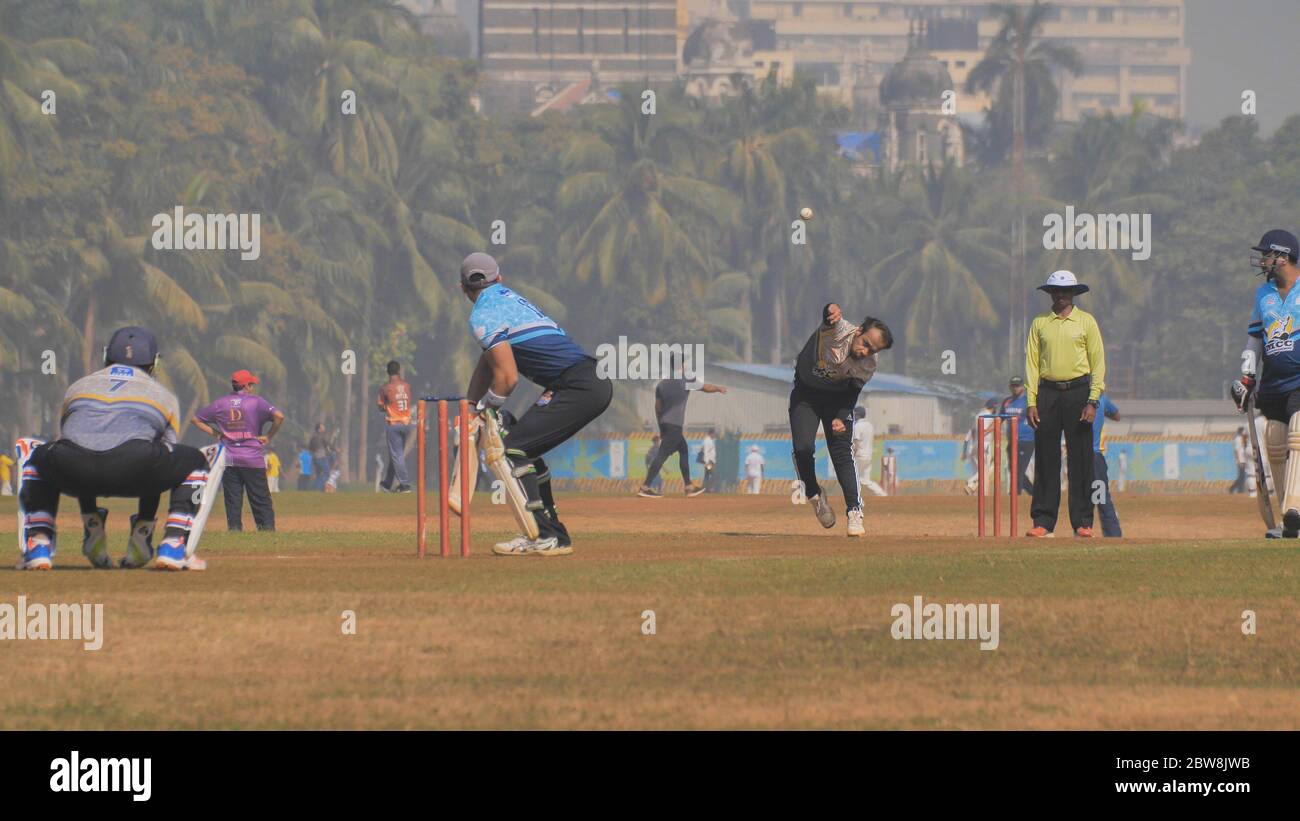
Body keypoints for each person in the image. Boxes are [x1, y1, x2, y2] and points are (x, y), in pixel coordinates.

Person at [15, 326, 214, 571]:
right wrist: (145, 519)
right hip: (136, 468)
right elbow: (162, 453)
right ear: (153, 364)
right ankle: (172, 543)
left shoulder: (77, 387)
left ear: (106, 356)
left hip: (72, 469)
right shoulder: (163, 395)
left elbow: (77, 440)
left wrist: (88, 509)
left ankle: (40, 544)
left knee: (38, 459)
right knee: (194, 460)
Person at [459, 252, 613, 556]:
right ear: (499, 279)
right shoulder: (509, 300)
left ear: (463, 288)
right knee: (524, 449)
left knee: (513, 449)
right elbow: (488, 362)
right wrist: (470, 404)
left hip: (578, 385)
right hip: (587, 380)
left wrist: (485, 411)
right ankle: (553, 536)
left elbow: (507, 378)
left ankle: (542, 535)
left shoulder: (483, 314)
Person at [789, 302, 893, 538]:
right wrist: (829, 310)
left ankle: (855, 511)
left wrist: (840, 415)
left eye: (873, 350)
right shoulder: (840, 330)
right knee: (803, 449)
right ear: (858, 331)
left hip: (837, 400)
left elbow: (853, 392)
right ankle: (815, 496)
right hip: (806, 395)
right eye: (865, 343)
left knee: (841, 451)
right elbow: (829, 319)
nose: (865, 351)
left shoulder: (869, 364)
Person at [1024, 270, 1106, 538]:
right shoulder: (1039, 323)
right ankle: (1043, 522)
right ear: (1050, 293)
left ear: (1073, 294)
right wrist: (1031, 401)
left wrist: (1093, 400)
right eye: (1055, 291)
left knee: (1081, 458)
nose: (1060, 296)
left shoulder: (1086, 322)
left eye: (1065, 292)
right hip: (1047, 392)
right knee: (1046, 459)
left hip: (1078, 391)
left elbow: (1098, 363)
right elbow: (1032, 364)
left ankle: (1082, 522)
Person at [1232, 229, 1300, 537]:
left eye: (1267, 254)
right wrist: (1247, 377)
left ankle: (1294, 508)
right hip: (1273, 382)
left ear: (1283, 256)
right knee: (1275, 437)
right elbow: (1255, 338)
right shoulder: (1264, 294)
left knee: (1299, 428)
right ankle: (1290, 523)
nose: (1262, 260)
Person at [192, 369, 284, 532]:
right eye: (251, 385)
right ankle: (267, 531)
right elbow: (279, 416)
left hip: (229, 459)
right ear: (246, 386)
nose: (253, 388)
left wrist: (218, 434)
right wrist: (269, 436)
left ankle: (234, 530)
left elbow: (196, 419)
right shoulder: (257, 402)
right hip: (252, 459)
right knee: (260, 499)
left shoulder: (220, 404)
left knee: (233, 499)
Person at [637, 357, 727, 498]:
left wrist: (661, 427)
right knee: (661, 455)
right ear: (682, 365)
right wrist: (718, 388)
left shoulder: (662, 384)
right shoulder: (685, 380)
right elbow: (705, 387)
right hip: (674, 426)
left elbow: (657, 408)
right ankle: (645, 486)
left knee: (683, 450)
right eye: (685, 362)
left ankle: (688, 486)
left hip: (666, 424)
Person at [377, 360, 414, 493]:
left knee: (397, 455)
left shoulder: (385, 388)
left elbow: (381, 406)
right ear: (399, 371)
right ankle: (387, 483)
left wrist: (387, 406)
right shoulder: (407, 386)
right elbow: (408, 401)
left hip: (393, 424)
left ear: (388, 372)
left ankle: (405, 485)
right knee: (396, 455)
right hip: (406, 424)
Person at [1091, 392, 1122, 537]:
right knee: (1100, 496)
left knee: (1083, 496)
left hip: (1082, 457)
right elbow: (1117, 416)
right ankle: (1112, 532)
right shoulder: (1101, 398)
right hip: (1096, 457)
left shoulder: (1075, 398)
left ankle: (1083, 530)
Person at [999, 376, 1035, 495]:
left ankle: (1015, 495)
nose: (1015, 388)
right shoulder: (1006, 402)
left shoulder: (1028, 401)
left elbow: (1037, 418)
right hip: (1012, 441)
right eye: (1013, 386)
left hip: (1027, 441)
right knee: (1013, 469)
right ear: (1010, 387)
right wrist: (988, 430)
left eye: (1018, 385)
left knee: (1018, 470)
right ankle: (1034, 493)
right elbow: (1000, 419)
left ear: (1023, 387)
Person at [963, 399, 998, 495]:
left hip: (976, 443)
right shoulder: (990, 416)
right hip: (985, 444)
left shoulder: (978, 415)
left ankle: (974, 492)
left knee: (977, 470)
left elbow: (973, 432)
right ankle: (970, 484)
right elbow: (994, 426)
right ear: (994, 406)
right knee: (985, 470)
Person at [851, 406, 887, 497]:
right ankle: (881, 493)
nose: (853, 416)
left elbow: (856, 443)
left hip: (860, 455)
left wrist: (852, 454)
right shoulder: (870, 425)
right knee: (866, 479)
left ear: (858, 415)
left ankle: (855, 498)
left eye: (854, 414)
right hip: (868, 455)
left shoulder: (858, 426)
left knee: (857, 479)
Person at [309, 422, 331, 491]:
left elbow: (310, 447)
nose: (324, 428)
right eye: (322, 427)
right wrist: (336, 449)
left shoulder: (313, 437)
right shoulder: (320, 437)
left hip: (315, 458)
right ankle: (323, 488)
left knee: (318, 474)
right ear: (319, 429)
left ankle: (317, 490)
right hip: (321, 458)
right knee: (327, 472)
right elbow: (327, 444)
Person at [1230, 427, 1248, 494]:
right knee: (1241, 476)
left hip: (1243, 460)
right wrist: (1238, 460)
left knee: (1242, 476)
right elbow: (1236, 450)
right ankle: (1239, 489)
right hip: (1240, 460)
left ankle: (1235, 488)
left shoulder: (1242, 439)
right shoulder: (1238, 439)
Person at [700, 428, 718, 492]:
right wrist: (707, 462)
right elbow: (706, 452)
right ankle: (707, 488)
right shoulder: (708, 441)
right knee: (714, 475)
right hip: (709, 462)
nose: (714, 435)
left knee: (707, 476)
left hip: (710, 461)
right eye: (714, 434)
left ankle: (704, 489)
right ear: (711, 433)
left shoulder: (709, 440)